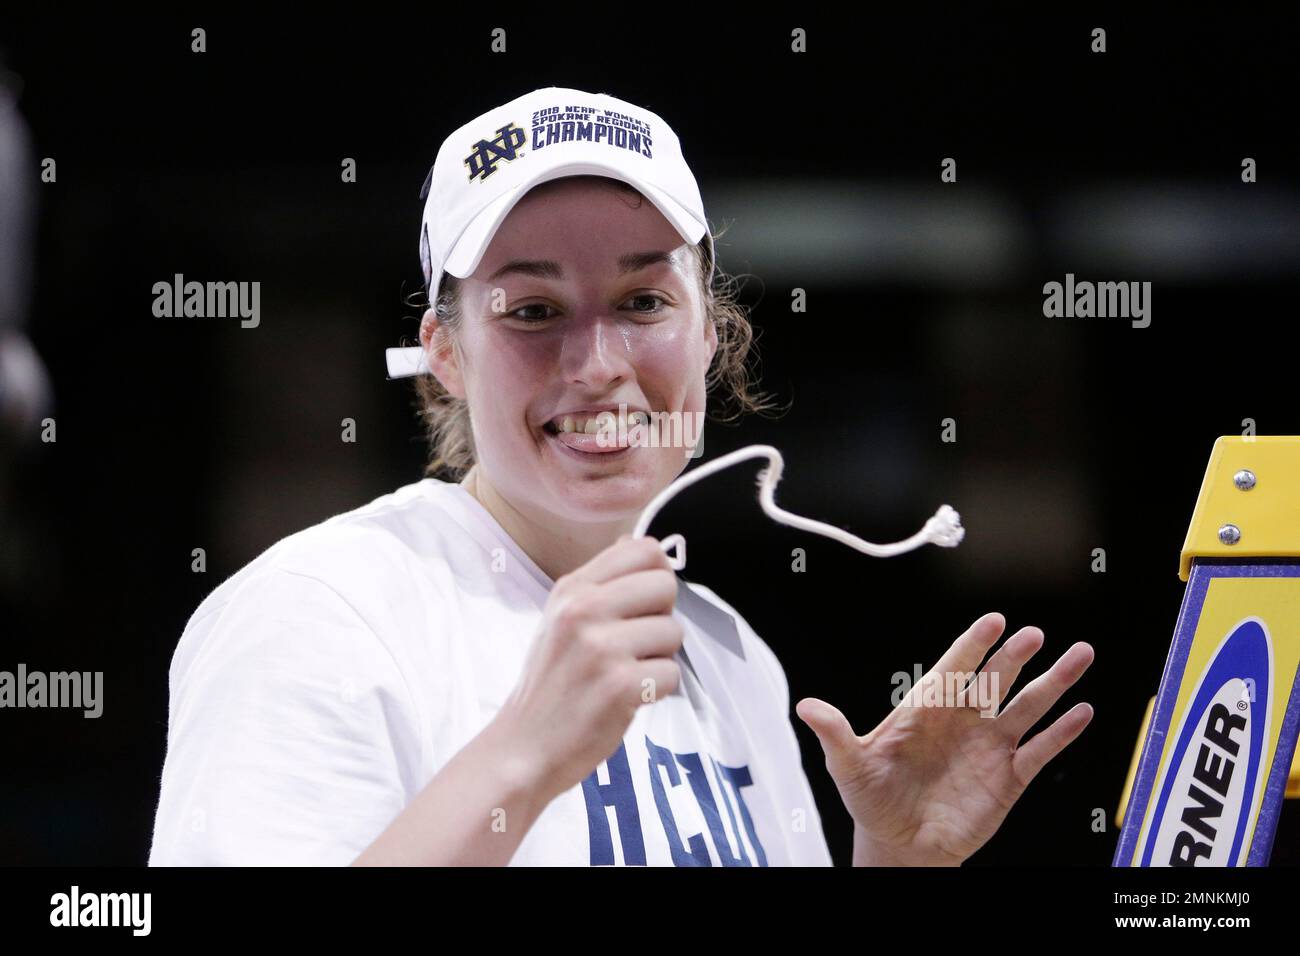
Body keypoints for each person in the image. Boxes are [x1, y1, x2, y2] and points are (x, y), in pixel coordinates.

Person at [148, 86, 1094, 867]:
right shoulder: (320, 613)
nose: (598, 362)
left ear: (711, 333)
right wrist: (522, 756)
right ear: (445, 354)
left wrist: (899, 863)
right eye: (532, 309)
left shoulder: (730, 659)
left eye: (643, 299)